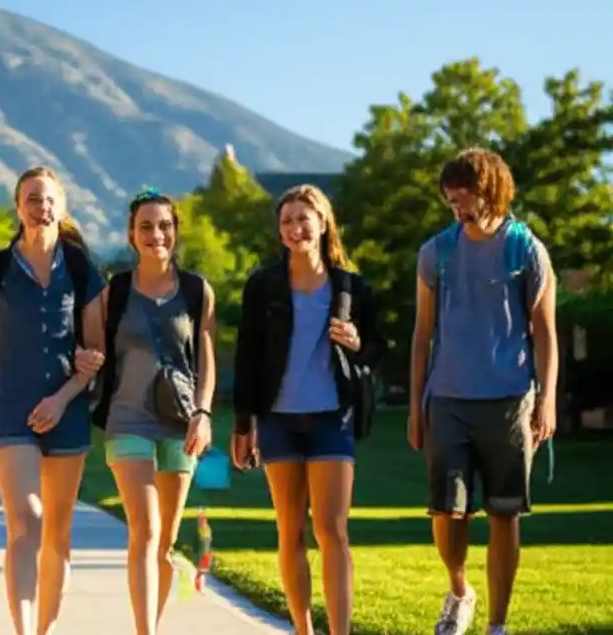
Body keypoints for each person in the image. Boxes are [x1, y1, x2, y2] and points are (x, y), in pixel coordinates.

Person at [0, 166, 106, 635]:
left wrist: (63, 398)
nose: (42, 206)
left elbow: (96, 353)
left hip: (67, 409)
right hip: (10, 406)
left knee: (57, 532)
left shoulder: (80, 270)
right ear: (18, 207)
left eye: (49, 198)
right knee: (26, 522)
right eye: (32, 198)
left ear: (62, 206)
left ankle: (45, 628)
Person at [408, 149, 557, 635]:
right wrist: (415, 405)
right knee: (448, 511)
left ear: (491, 190)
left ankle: (497, 624)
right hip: (448, 399)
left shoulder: (526, 251)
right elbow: (421, 333)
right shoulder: (437, 252)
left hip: (511, 399)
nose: (455, 205)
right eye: (449, 198)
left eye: (463, 195)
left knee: (504, 512)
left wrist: (548, 398)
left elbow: (545, 331)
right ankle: (459, 590)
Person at [230, 184, 385, 635]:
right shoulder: (263, 286)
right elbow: (248, 356)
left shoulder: (351, 286)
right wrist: (244, 424)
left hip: (332, 418)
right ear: (280, 232)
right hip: (278, 419)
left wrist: (358, 344)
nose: (296, 227)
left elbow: (377, 348)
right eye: (287, 221)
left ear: (322, 223)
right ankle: (302, 628)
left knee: (333, 532)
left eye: (304, 218)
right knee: (290, 530)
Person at [90, 189, 217, 635]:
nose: (155, 234)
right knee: (143, 530)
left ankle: (153, 625)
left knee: (164, 543)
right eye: (145, 226)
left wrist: (203, 413)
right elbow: (93, 350)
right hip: (128, 420)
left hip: (179, 424)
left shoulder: (198, 291)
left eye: (164, 225)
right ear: (131, 235)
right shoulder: (116, 292)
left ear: (175, 232)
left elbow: (205, 358)